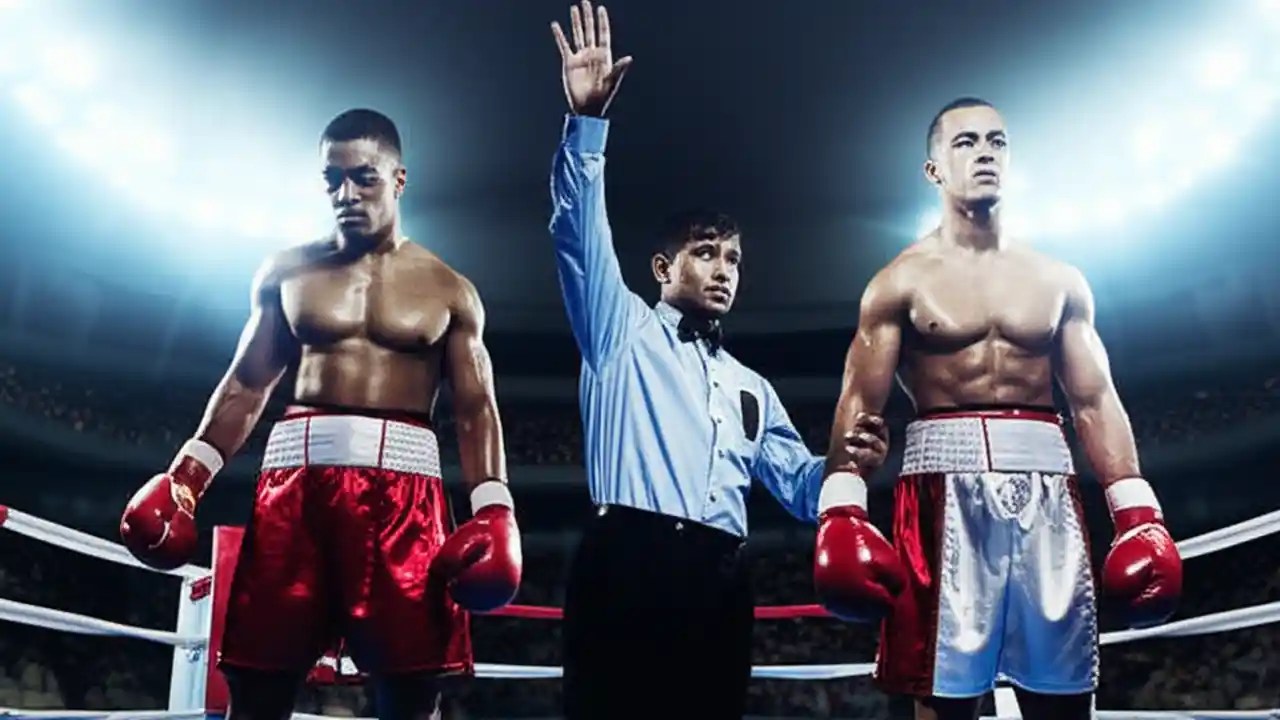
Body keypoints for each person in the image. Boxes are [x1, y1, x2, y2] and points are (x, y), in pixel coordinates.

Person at [118, 108, 522, 720]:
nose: (345, 194)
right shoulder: (286, 272)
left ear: (399, 179)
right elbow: (248, 382)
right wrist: (185, 479)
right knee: (258, 680)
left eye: (364, 178)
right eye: (332, 180)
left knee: (410, 691)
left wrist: (494, 509)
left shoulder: (449, 289)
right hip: (293, 493)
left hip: (403, 499)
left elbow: (474, 406)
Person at [546, 3, 891, 718]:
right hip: (627, 561)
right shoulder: (620, 331)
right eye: (705, 251)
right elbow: (577, 233)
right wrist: (587, 124)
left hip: (722, 577)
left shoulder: (752, 389)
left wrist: (849, 463)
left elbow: (800, 489)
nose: (723, 268)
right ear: (663, 267)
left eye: (733, 256)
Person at [820, 96, 1185, 720]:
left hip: (1049, 488)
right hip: (941, 488)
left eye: (996, 141)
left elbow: (1095, 401)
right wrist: (843, 513)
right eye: (965, 142)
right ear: (933, 169)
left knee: (1065, 691)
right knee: (942, 696)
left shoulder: (1060, 280)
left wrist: (1138, 516)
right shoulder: (899, 282)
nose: (984, 151)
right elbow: (860, 404)